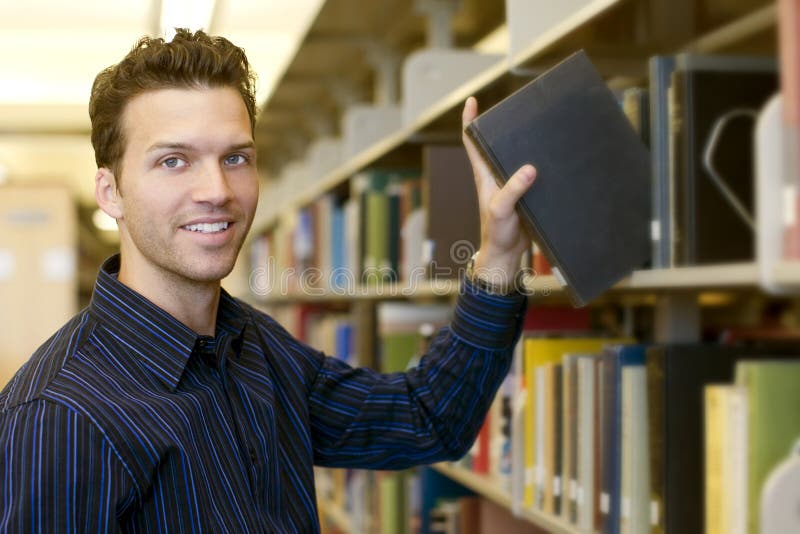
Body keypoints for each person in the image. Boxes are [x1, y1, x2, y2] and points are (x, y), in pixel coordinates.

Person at [0, 29, 536, 532]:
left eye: (236, 157)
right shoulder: (60, 416)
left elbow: (426, 419)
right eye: (173, 161)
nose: (216, 190)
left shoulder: (256, 347)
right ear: (110, 192)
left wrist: (499, 255)